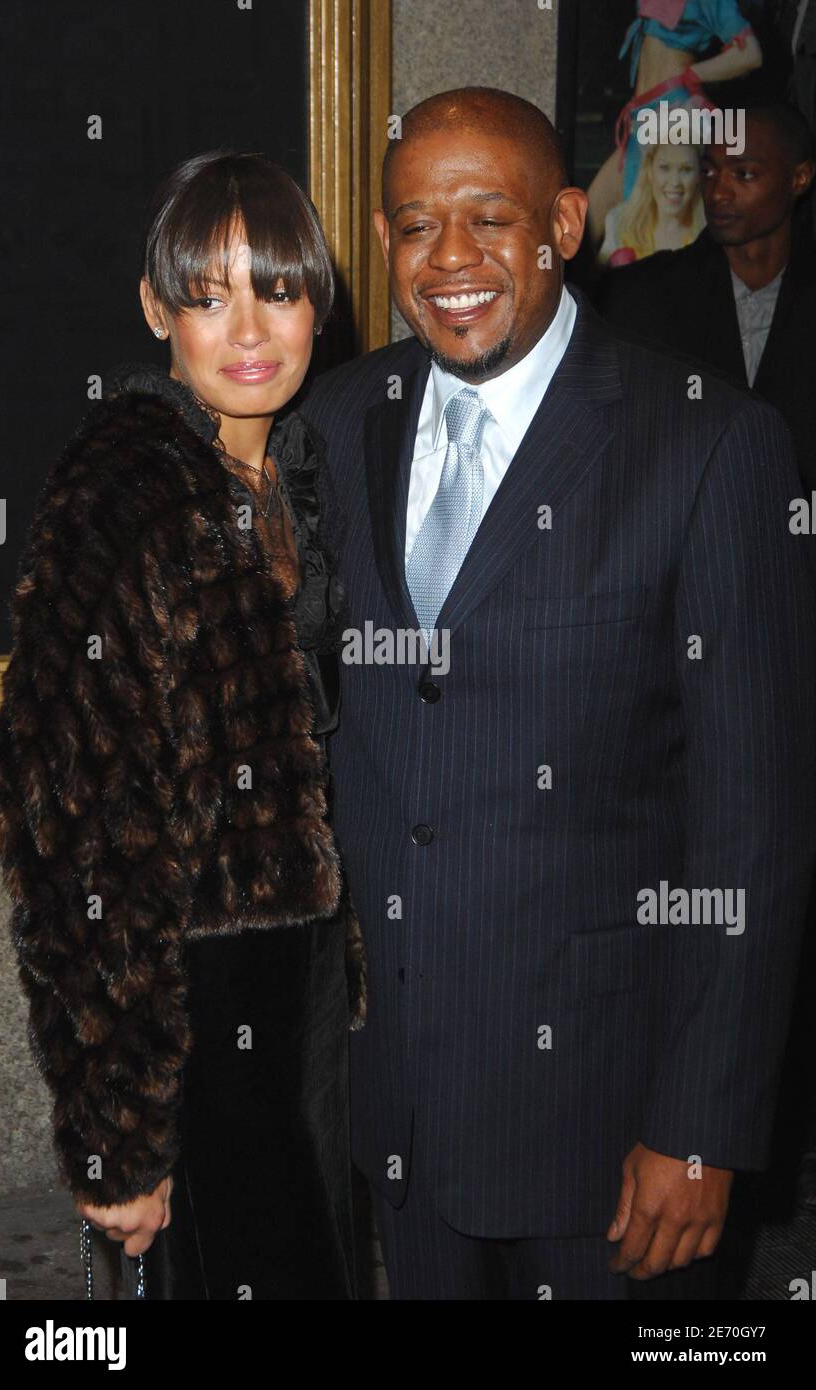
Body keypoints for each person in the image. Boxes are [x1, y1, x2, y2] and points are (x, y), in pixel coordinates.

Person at [298, 85, 816, 1301]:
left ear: (565, 225)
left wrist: (702, 1122)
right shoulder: (336, 420)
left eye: (491, 217)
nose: (453, 259)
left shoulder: (708, 448)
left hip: (606, 1117)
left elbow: (754, 826)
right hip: (400, 1101)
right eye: (418, 224)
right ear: (381, 243)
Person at [0, 150, 366, 1300]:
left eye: (279, 290)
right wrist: (118, 1131)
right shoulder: (124, 495)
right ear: (157, 310)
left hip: (297, 1000)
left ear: (317, 304)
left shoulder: (295, 472)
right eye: (207, 295)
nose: (249, 328)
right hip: (191, 1019)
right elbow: (67, 835)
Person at [598, 103, 816, 488]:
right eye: (709, 171)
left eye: (744, 174)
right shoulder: (639, 295)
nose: (718, 192)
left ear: (799, 178)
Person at [587, 0, 761, 245]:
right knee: (586, 225)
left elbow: (750, 54)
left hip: (674, 113)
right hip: (643, 117)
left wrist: (693, 75)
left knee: (649, 238)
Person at [598, 139, 706, 266]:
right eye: (664, 168)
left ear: (699, 175)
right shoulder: (618, 223)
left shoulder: (711, 233)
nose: (675, 182)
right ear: (649, 170)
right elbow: (596, 281)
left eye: (686, 169)